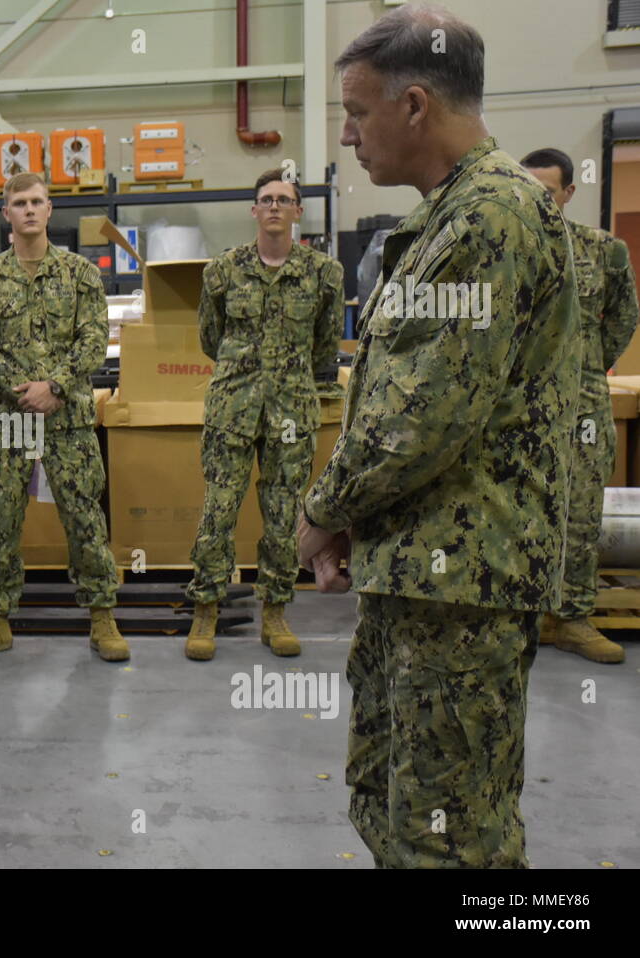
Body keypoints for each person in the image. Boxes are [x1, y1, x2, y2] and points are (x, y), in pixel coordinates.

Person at [299, 2, 580, 867]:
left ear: (414, 105)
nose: (348, 136)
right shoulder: (445, 219)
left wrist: (324, 510)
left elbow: (423, 419)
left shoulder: (488, 218)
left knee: (453, 840)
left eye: (355, 112)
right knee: (394, 807)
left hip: (461, 587)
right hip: (423, 575)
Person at [0, 171, 126, 662]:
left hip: (66, 416)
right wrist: (24, 391)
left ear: (50, 211)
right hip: (9, 417)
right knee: (2, 517)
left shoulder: (80, 274)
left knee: (84, 515)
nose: (29, 210)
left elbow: (94, 339)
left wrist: (56, 387)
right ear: (6, 214)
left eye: (37, 202)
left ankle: (102, 617)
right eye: (19, 203)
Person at [184, 170, 344, 661]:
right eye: (266, 199)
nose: (275, 206)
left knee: (282, 516)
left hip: (291, 409)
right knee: (218, 512)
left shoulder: (322, 273)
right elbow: (210, 338)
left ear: (298, 212)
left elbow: (325, 342)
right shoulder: (223, 270)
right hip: (232, 406)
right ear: (253, 211)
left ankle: (275, 613)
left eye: (285, 200)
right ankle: (205, 610)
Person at [522, 147, 639, 664]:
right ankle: (518, 615)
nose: (539, 203)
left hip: (583, 408)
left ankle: (573, 618)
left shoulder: (603, 250)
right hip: (518, 407)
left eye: (547, 193)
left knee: (581, 513)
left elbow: (622, 319)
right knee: (517, 509)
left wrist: (587, 366)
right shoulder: (506, 251)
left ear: (569, 193)